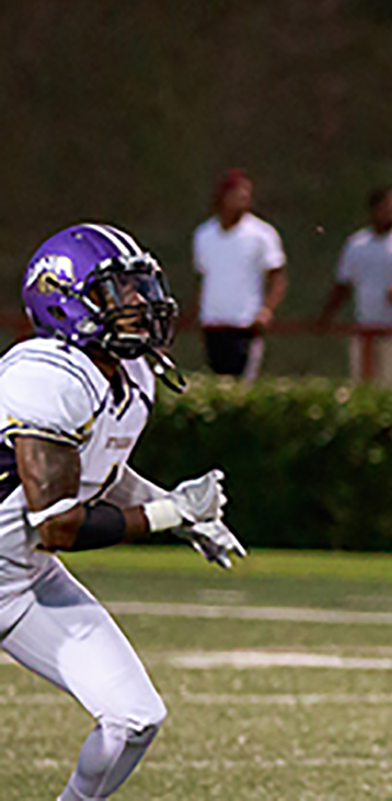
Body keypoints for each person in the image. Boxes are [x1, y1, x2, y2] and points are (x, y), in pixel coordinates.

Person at [5, 224, 245, 800]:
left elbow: (101, 477)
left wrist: (173, 507)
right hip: (32, 558)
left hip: (20, 578)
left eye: (142, 287)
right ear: (65, 300)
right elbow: (61, 523)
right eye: (121, 291)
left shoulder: (132, 376)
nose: (142, 303)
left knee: (134, 717)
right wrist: (171, 516)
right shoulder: (46, 376)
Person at [318, 187, 392, 387]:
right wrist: (325, 317)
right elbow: (344, 284)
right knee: (364, 391)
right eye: (386, 207)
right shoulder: (357, 244)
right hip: (367, 331)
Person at [190, 168, 287, 379]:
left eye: (246, 194)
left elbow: (277, 277)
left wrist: (266, 310)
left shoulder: (262, 234)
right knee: (217, 383)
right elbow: (202, 277)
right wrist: (198, 311)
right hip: (213, 323)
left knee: (242, 385)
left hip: (245, 324)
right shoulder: (204, 235)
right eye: (236, 194)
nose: (243, 199)